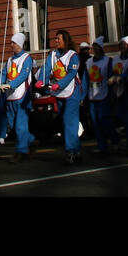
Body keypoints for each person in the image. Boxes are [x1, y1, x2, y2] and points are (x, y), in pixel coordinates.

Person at [0, 32, 34, 162]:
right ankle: (31, 140)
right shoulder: (10, 60)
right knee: (13, 124)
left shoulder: (27, 58)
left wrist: (10, 85)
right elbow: (4, 73)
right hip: (10, 96)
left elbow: (23, 75)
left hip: (22, 96)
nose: (11, 45)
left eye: (13, 43)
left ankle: (21, 152)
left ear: (20, 44)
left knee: (20, 124)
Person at [44, 29, 84, 164]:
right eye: (55, 39)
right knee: (64, 121)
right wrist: (42, 80)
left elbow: (72, 73)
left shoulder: (73, 56)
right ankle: (76, 149)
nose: (56, 41)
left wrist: (59, 84)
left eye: (58, 39)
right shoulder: (53, 54)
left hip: (72, 92)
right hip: (60, 93)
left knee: (69, 120)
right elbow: (47, 68)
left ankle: (70, 150)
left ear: (65, 40)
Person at [85, 37, 116, 153]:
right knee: (95, 122)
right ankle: (102, 145)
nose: (95, 49)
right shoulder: (88, 62)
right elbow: (85, 80)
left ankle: (114, 140)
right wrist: (83, 95)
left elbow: (112, 76)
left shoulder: (108, 61)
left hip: (104, 94)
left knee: (105, 120)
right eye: (94, 47)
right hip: (92, 95)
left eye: (97, 47)